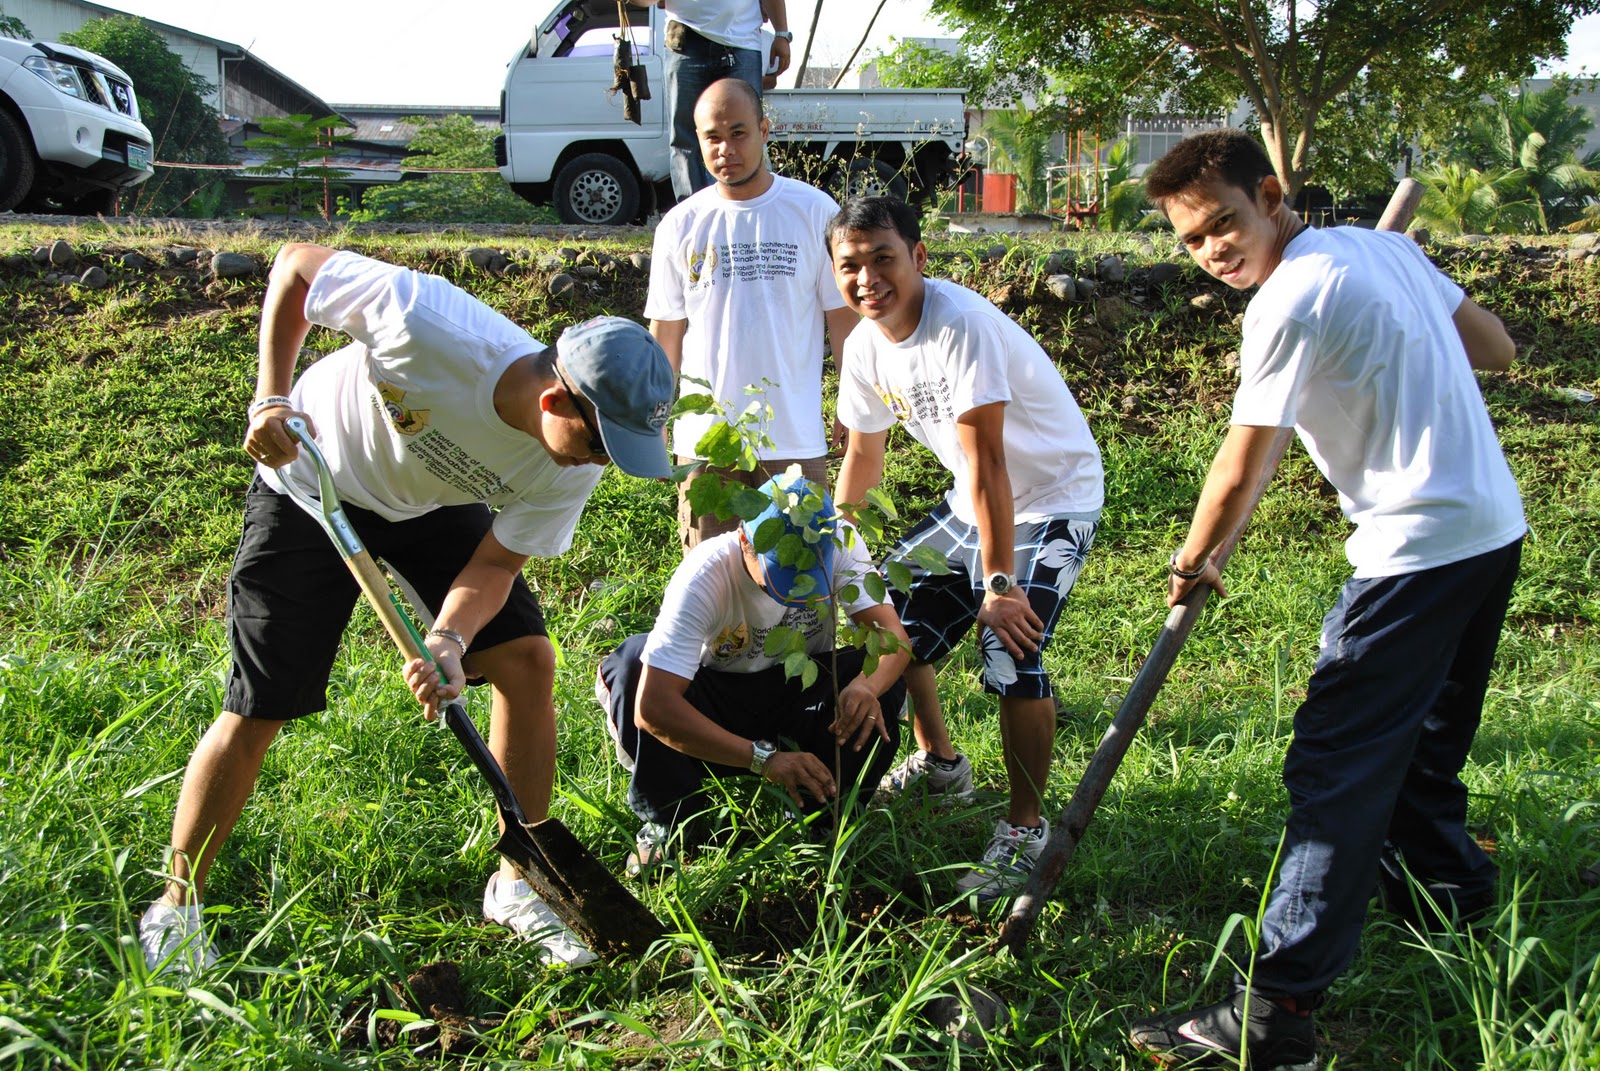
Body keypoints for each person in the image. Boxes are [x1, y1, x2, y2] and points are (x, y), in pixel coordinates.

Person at [137, 243, 676, 974]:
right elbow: (296, 266)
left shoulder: (567, 463)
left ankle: (519, 883)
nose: (599, 464)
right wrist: (271, 395)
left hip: (428, 500)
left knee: (524, 657)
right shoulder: (430, 323)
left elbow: (492, 563)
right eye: (599, 444)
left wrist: (449, 639)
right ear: (554, 400)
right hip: (313, 478)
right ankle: (177, 903)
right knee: (261, 701)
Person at [1126, 129, 1524, 1071]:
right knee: (1422, 746)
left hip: (1411, 553)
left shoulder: (1289, 302)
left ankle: (1275, 1014)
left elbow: (1241, 463)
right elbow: (1495, 348)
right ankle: (1454, 907)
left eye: (1225, 223)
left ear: (1271, 195)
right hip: (1490, 529)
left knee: (1334, 774)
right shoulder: (1380, 249)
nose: (1215, 250)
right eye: (1193, 241)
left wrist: (1192, 558)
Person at [827, 196, 1106, 901]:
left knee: (1009, 647)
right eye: (849, 265)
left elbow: (989, 466)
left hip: (1052, 499)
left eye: (882, 259)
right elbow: (863, 455)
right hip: (971, 501)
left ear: (919, 258)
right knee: (883, 603)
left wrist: (999, 584)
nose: (867, 279)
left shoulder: (964, 328)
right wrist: (838, 539)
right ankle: (941, 762)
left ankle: (1024, 829)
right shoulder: (862, 346)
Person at [595, 473, 910, 868]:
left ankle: (829, 812)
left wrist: (867, 686)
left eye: (809, 575)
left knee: (877, 685)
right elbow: (654, 708)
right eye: (782, 574)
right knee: (634, 666)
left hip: (798, 687)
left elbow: (892, 640)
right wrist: (763, 759)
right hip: (718, 697)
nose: (798, 590)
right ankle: (669, 823)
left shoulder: (838, 540)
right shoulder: (705, 574)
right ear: (746, 540)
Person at [644, 76, 858, 550]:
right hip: (706, 447)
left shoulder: (814, 211)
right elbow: (666, 334)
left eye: (738, 133)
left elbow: (843, 319)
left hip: (794, 444)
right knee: (712, 599)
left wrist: (851, 400)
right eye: (712, 137)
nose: (725, 149)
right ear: (697, 141)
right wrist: (654, 418)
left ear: (764, 130)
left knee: (801, 593)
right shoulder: (680, 225)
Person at [628, 0, 792, 200]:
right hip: (685, 40)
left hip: (742, 43)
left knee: (748, 134)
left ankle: (746, 211)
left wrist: (782, 34)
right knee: (686, 139)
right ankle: (693, 219)